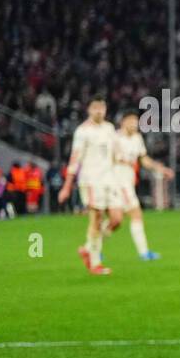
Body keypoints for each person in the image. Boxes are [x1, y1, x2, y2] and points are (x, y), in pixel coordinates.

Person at [57, 97, 119, 275]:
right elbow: (75, 159)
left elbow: (113, 154)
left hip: (109, 179)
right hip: (91, 180)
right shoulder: (82, 131)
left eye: (102, 107)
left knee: (116, 219)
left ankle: (87, 248)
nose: (99, 110)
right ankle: (95, 263)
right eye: (95, 107)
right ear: (89, 109)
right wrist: (67, 186)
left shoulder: (109, 128)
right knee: (97, 218)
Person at [110, 111, 175, 258]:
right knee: (135, 214)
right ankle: (144, 252)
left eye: (136, 121)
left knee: (116, 220)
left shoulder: (137, 138)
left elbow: (143, 159)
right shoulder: (114, 138)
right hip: (117, 183)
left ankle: (93, 247)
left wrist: (161, 169)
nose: (135, 124)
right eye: (131, 120)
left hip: (128, 182)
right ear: (123, 121)